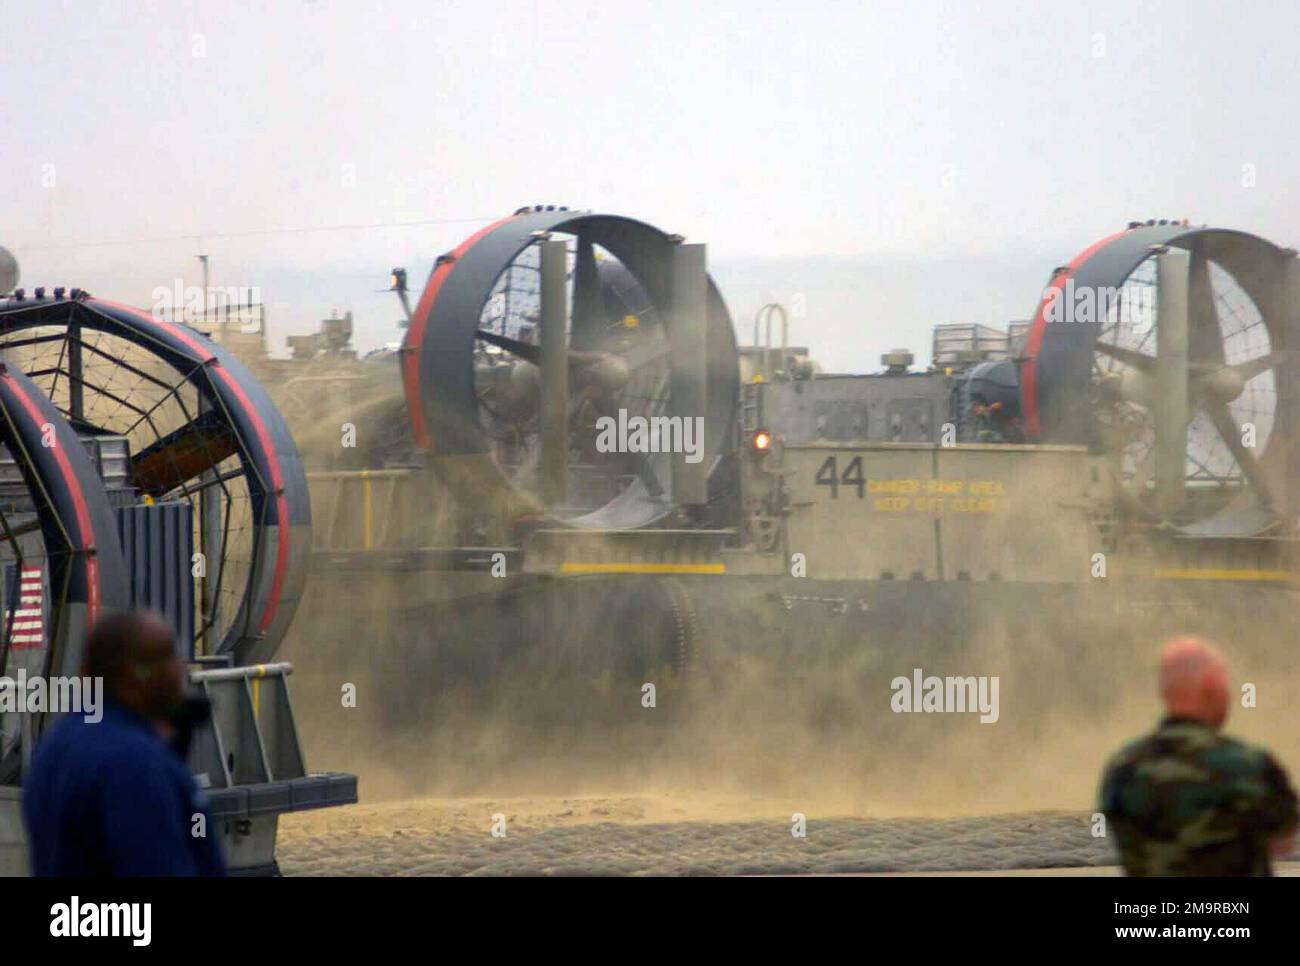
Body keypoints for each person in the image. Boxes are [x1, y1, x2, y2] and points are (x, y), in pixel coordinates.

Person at [23, 610, 226, 876]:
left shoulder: (53, 747)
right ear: (136, 674)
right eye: (171, 656)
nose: (182, 669)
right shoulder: (135, 765)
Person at [1099, 635, 1297, 875]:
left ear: (1165, 693)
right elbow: (1284, 842)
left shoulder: (1121, 771)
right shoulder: (1250, 766)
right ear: (1213, 687)